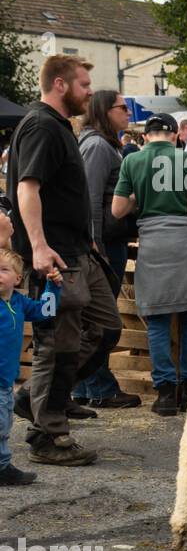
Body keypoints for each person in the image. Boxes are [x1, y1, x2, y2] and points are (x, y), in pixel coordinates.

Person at [8, 55, 122, 467]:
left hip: (78, 253)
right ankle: (47, 435)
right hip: (55, 258)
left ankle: (34, 400)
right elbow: (27, 189)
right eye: (84, 85)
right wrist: (38, 247)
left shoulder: (59, 127)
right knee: (57, 344)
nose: (90, 92)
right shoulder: (41, 125)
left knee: (107, 328)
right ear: (60, 84)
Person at [111, 114, 187, 415]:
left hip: (152, 243)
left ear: (146, 134)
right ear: (176, 134)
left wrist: (137, 196)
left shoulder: (132, 161)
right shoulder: (186, 160)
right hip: (183, 242)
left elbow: (117, 211)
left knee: (157, 320)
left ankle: (165, 392)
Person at [73, 90, 140, 409]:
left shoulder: (101, 143)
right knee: (101, 319)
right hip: (104, 244)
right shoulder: (98, 146)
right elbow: (90, 198)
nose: (127, 113)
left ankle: (87, 387)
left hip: (107, 241)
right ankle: (99, 386)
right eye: (122, 108)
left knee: (94, 318)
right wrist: (94, 242)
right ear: (104, 111)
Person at [1, 249, 61, 485]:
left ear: (17, 278)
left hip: (5, 380)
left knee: (3, 422)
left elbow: (46, 312)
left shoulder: (18, 301)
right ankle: (2, 467)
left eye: (4, 270)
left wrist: (53, 287)